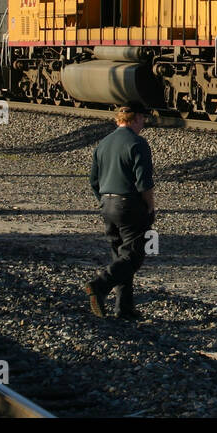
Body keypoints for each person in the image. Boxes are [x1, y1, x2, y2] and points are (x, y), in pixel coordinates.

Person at [85, 103, 156, 320]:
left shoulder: (103, 143)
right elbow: (144, 182)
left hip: (107, 204)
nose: (144, 123)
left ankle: (123, 308)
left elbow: (93, 180)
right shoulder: (137, 143)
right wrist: (150, 206)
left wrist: (103, 201)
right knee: (133, 257)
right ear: (134, 119)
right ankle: (100, 284)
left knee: (119, 256)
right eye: (143, 119)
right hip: (130, 204)